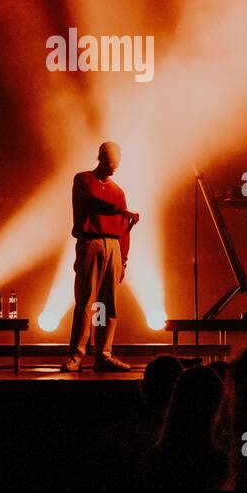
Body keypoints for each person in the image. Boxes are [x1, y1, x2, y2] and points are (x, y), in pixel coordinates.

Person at [62, 141, 139, 372]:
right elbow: (93, 203)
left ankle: (103, 353)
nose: (114, 169)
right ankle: (77, 354)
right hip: (90, 240)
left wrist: (123, 259)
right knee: (86, 299)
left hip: (113, 244)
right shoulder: (83, 179)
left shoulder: (118, 191)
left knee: (108, 303)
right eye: (111, 163)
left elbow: (125, 229)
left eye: (116, 164)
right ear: (101, 158)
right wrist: (120, 211)